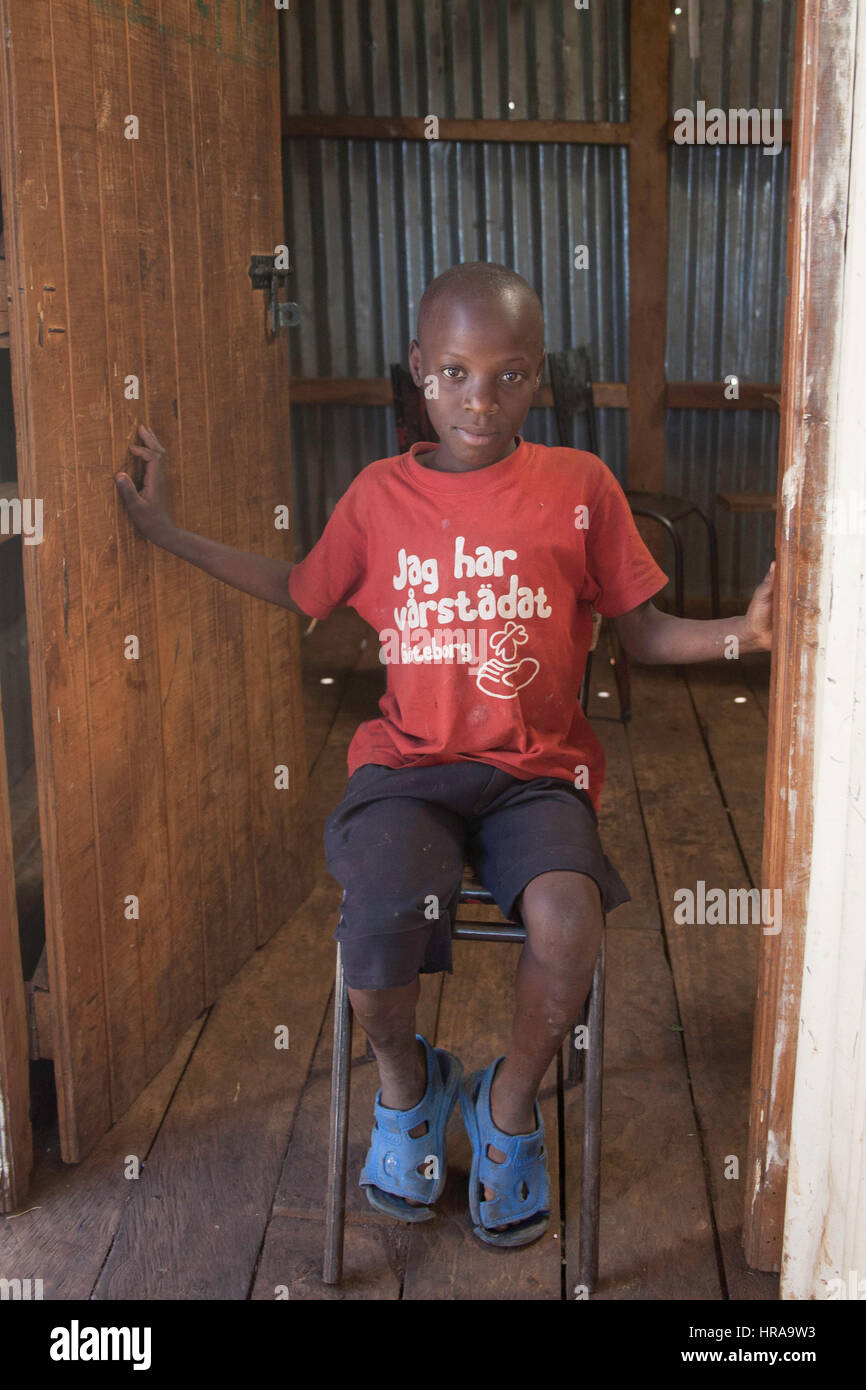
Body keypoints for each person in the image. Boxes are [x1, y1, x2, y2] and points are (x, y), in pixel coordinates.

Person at [116, 261, 775, 1249]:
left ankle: (505, 1110)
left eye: (507, 375)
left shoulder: (578, 489)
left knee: (565, 914)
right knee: (374, 917)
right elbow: (300, 589)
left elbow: (644, 637)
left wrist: (746, 634)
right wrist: (165, 533)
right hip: (406, 773)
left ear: (537, 376)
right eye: (456, 373)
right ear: (419, 369)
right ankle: (407, 1090)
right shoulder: (378, 497)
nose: (480, 398)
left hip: (532, 775)